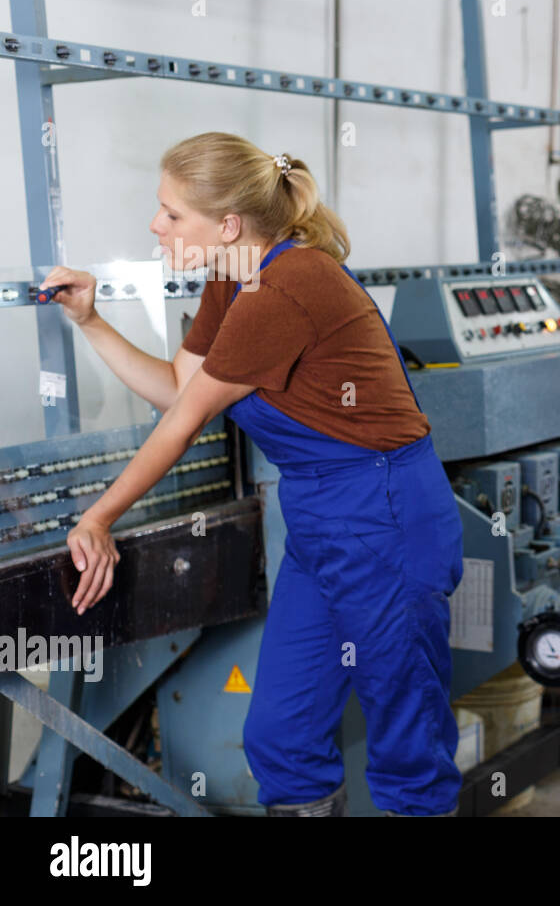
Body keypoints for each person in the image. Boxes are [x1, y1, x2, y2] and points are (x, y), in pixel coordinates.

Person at [39, 132, 464, 817]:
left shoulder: (285, 288)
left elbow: (182, 426)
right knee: (282, 737)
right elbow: (179, 390)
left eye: (172, 213)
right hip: (321, 521)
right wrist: (91, 321)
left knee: (407, 746)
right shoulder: (232, 278)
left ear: (229, 223)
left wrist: (98, 516)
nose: (156, 225)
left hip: (384, 517)